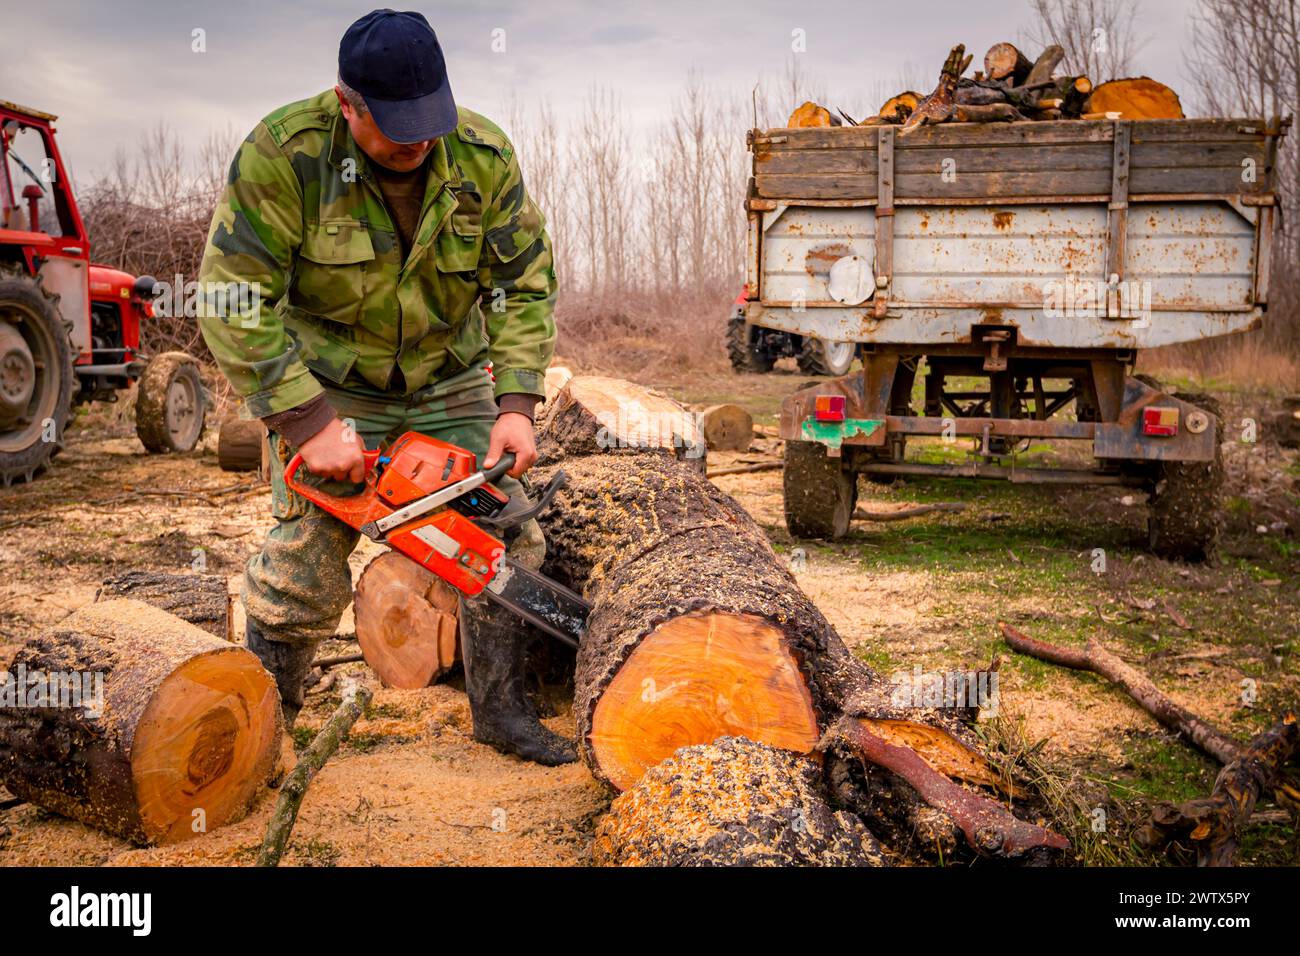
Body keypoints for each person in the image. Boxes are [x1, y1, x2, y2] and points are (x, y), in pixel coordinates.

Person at [197, 9, 573, 765]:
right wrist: (307, 422)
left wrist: (517, 406)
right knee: (305, 559)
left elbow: (524, 283)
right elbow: (231, 299)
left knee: (508, 540)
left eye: (429, 121)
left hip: (451, 374)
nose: (418, 142)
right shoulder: (286, 156)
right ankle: (264, 740)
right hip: (331, 386)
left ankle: (503, 711)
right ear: (347, 103)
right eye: (398, 127)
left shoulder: (483, 155)